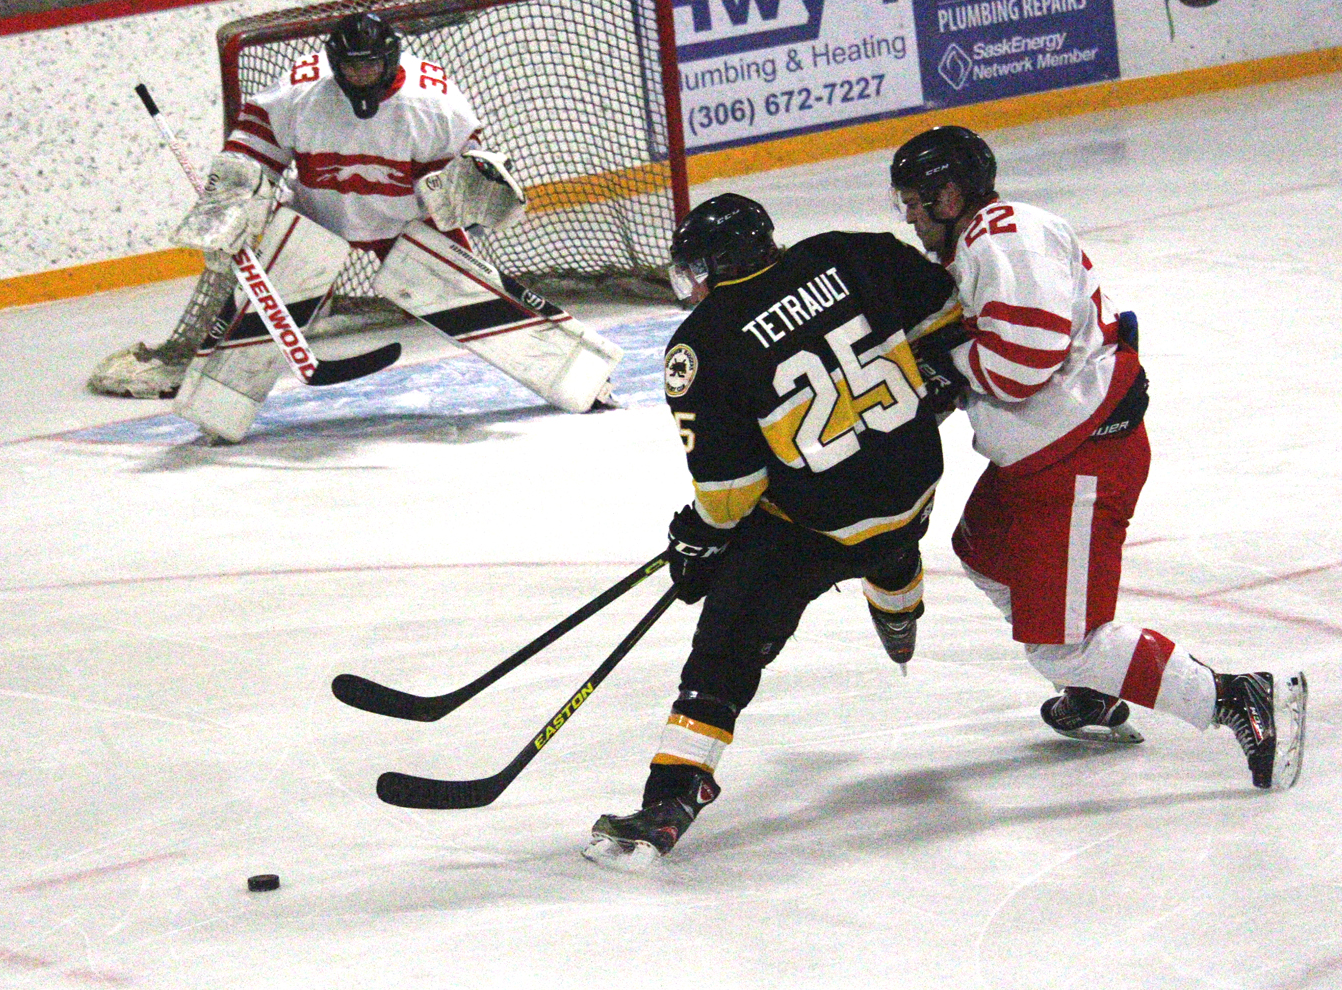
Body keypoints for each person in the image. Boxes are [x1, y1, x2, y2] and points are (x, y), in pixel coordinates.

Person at [888, 125, 1306, 789]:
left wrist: (937, 366)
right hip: (1042, 455)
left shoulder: (1005, 235)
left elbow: (1024, 362)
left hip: (1080, 456)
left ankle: (1237, 697)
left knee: (1063, 642)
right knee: (984, 552)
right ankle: (1096, 686)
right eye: (904, 202)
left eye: (920, 199)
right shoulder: (974, 244)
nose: (910, 214)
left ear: (956, 191)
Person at [582, 193, 963, 870]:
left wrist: (700, 538)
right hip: (916, 485)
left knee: (725, 641)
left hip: (825, 525)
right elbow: (943, 309)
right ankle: (900, 609)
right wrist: (933, 377)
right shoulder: (849, 250)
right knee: (886, 524)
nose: (692, 283)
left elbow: (730, 495)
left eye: (697, 267)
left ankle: (674, 791)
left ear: (722, 264)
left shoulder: (702, 345)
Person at [90, 12, 614, 438]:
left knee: (473, 295)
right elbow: (254, 140)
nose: (360, 76)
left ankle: (583, 378)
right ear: (335, 62)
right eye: (351, 67)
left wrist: (474, 188)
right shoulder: (303, 89)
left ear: (391, 60)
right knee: (268, 294)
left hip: (406, 219)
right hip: (320, 214)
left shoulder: (434, 103)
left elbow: (468, 172)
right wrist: (234, 194)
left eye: (370, 67)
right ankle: (214, 408)